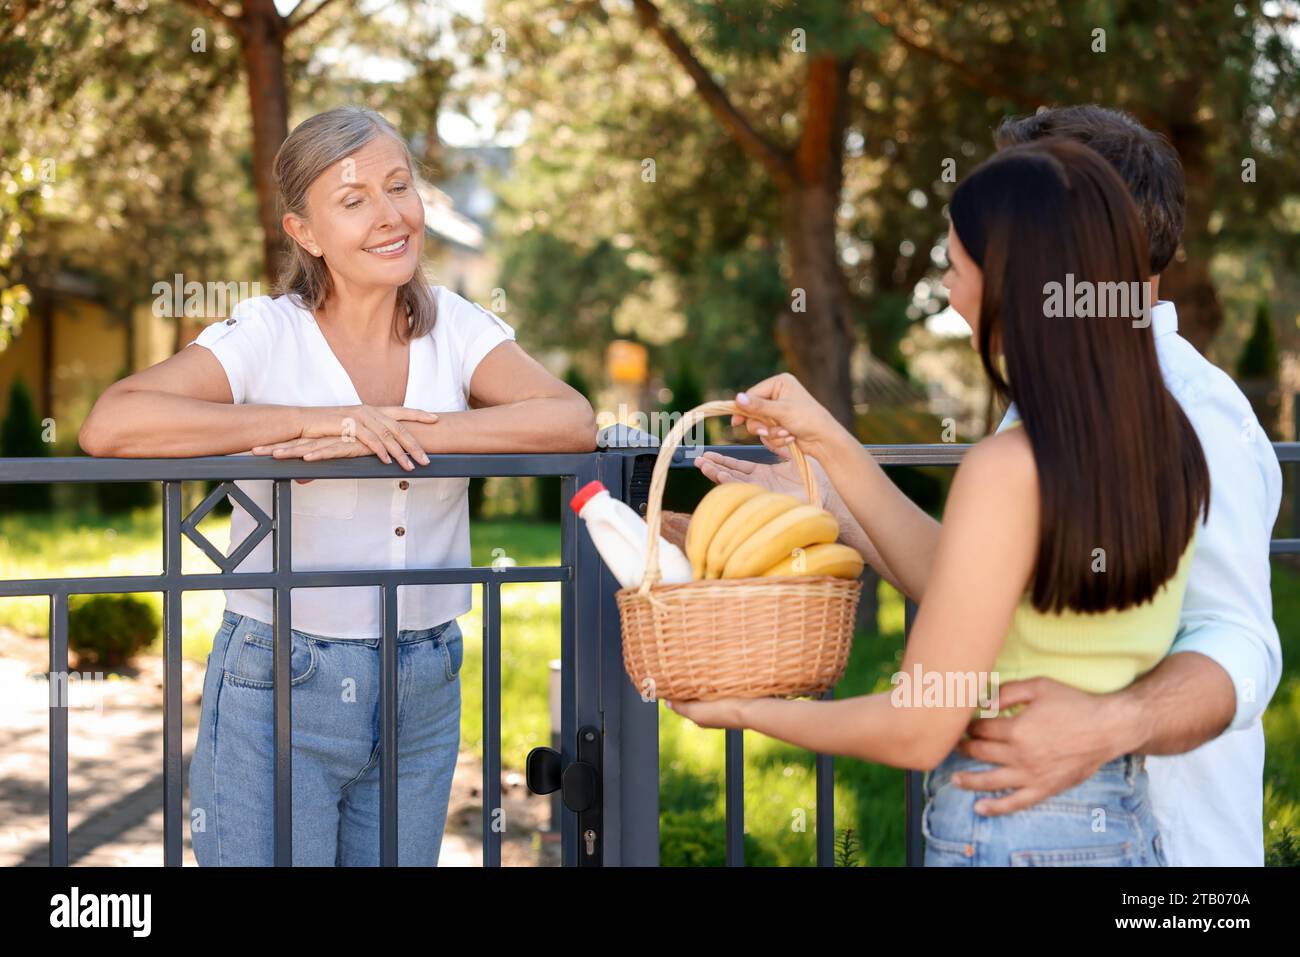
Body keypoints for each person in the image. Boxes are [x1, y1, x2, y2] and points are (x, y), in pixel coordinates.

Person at [695, 105, 1282, 867]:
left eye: (957, 259)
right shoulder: (1140, 422)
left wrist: (745, 709)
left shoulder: (1193, 414)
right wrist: (834, 474)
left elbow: (1243, 644)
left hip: (1112, 833)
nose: (945, 283)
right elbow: (994, 592)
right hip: (1118, 824)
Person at [78, 107, 597, 865]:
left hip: (426, 675)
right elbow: (111, 423)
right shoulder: (265, 331)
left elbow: (571, 419)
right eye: (354, 201)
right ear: (305, 232)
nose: (391, 216)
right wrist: (317, 420)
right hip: (281, 678)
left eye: (400, 186)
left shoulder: (454, 325)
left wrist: (394, 428)